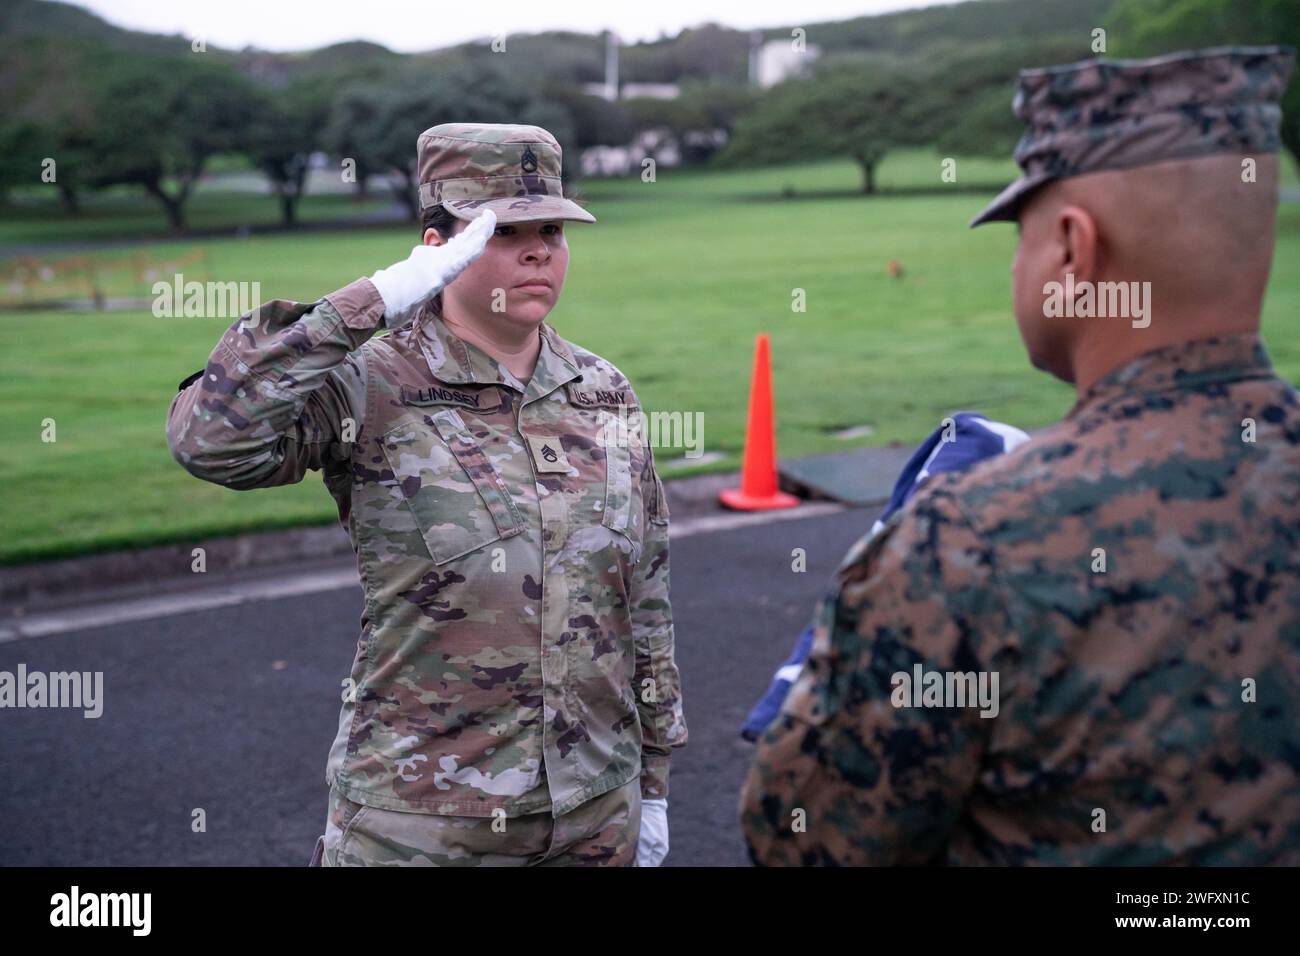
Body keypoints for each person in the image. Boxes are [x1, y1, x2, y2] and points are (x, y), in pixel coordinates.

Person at [739, 45, 1300, 865]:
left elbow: (800, 838)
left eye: (1019, 235)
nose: (1015, 264)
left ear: (1072, 248)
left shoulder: (968, 540)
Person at [166, 123, 687, 866]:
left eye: (551, 231)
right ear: (438, 246)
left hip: (595, 812)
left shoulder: (602, 391)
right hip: (423, 823)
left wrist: (653, 778)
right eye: (505, 232)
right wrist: (369, 302)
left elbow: (646, 594)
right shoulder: (371, 382)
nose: (539, 252)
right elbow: (212, 440)